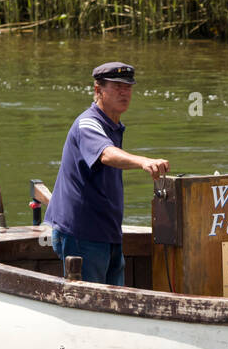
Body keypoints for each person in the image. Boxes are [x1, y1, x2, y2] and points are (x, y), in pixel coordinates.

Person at [45, 62, 169, 285]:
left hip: (107, 232)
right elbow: (107, 154)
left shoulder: (113, 125)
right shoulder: (88, 123)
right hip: (82, 233)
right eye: (117, 86)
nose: (125, 92)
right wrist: (143, 161)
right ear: (98, 90)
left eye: (128, 87)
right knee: (94, 304)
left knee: (113, 301)